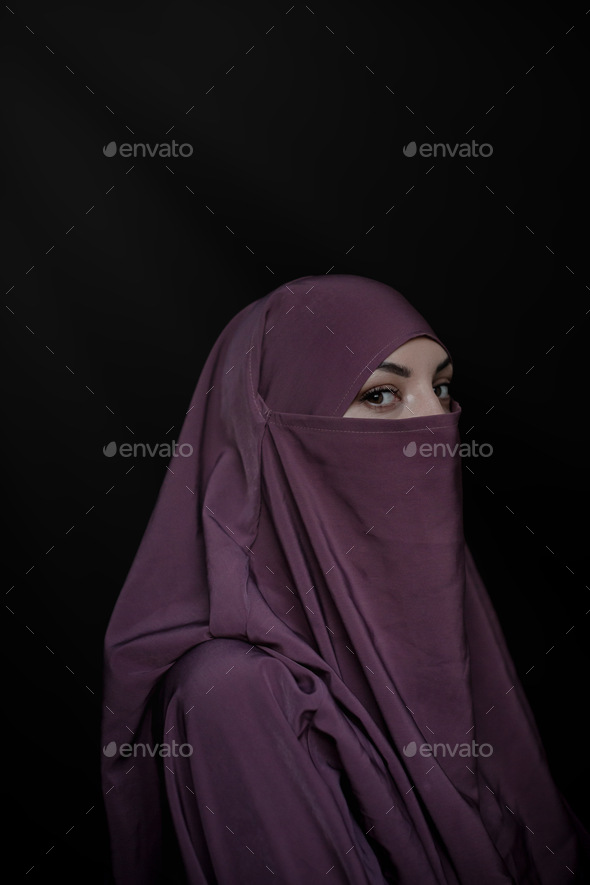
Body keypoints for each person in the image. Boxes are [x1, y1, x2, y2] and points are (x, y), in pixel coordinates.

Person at [101, 274, 590, 884]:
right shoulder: (235, 693)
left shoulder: (455, 615)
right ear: (276, 437)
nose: (435, 428)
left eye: (442, 389)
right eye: (382, 394)